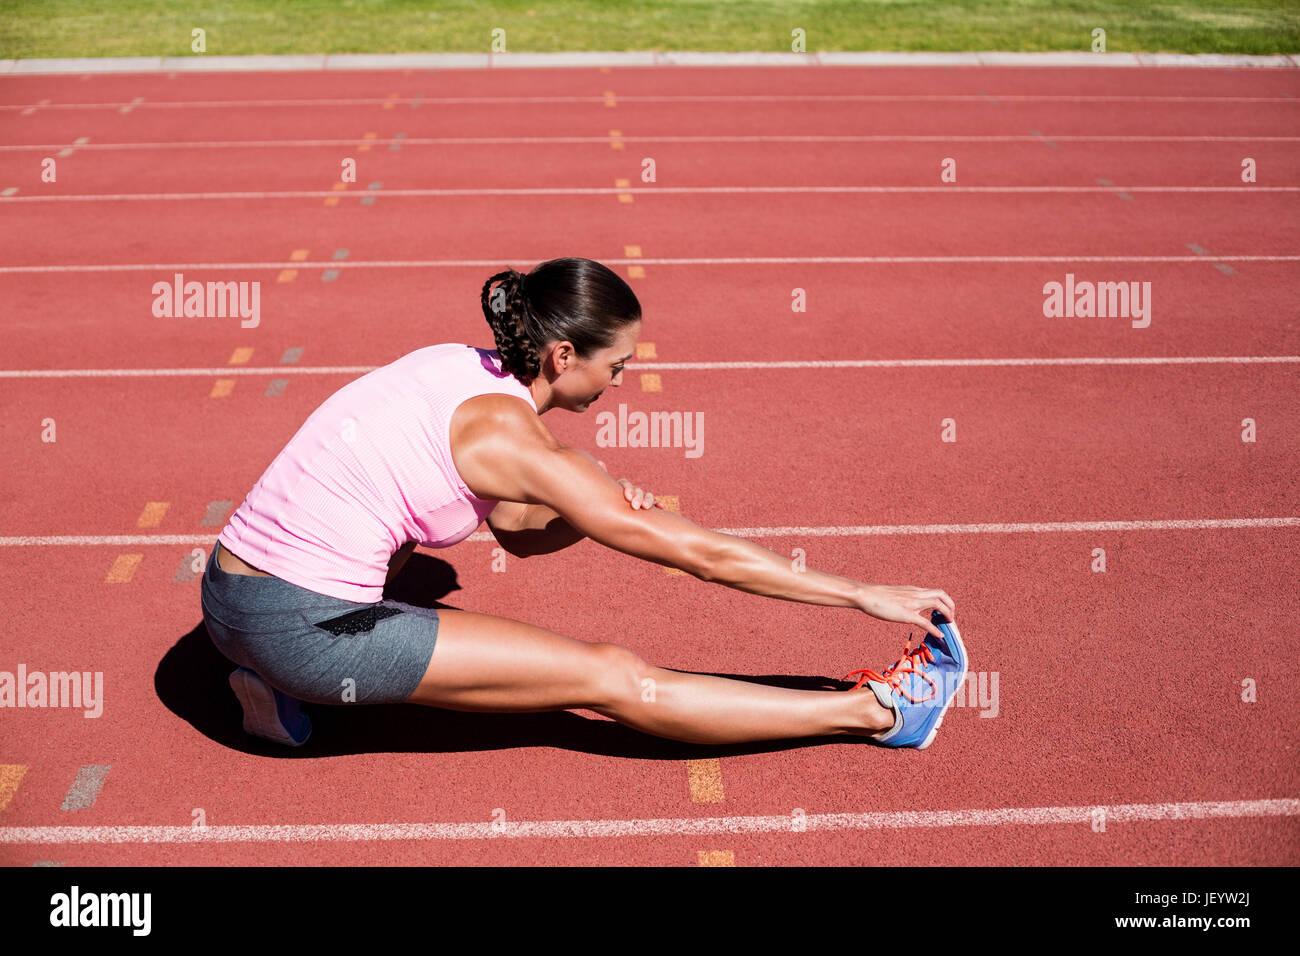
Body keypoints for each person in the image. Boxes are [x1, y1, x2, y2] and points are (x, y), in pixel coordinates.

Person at [200, 256, 966, 751]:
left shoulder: (452, 366)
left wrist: (584, 504)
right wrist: (860, 594)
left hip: (225, 598)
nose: (619, 382)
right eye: (618, 365)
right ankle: (879, 713)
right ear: (564, 357)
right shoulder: (512, 439)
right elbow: (698, 556)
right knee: (612, 677)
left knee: (389, 535)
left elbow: (518, 532)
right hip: (306, 630)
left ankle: (267, 685)